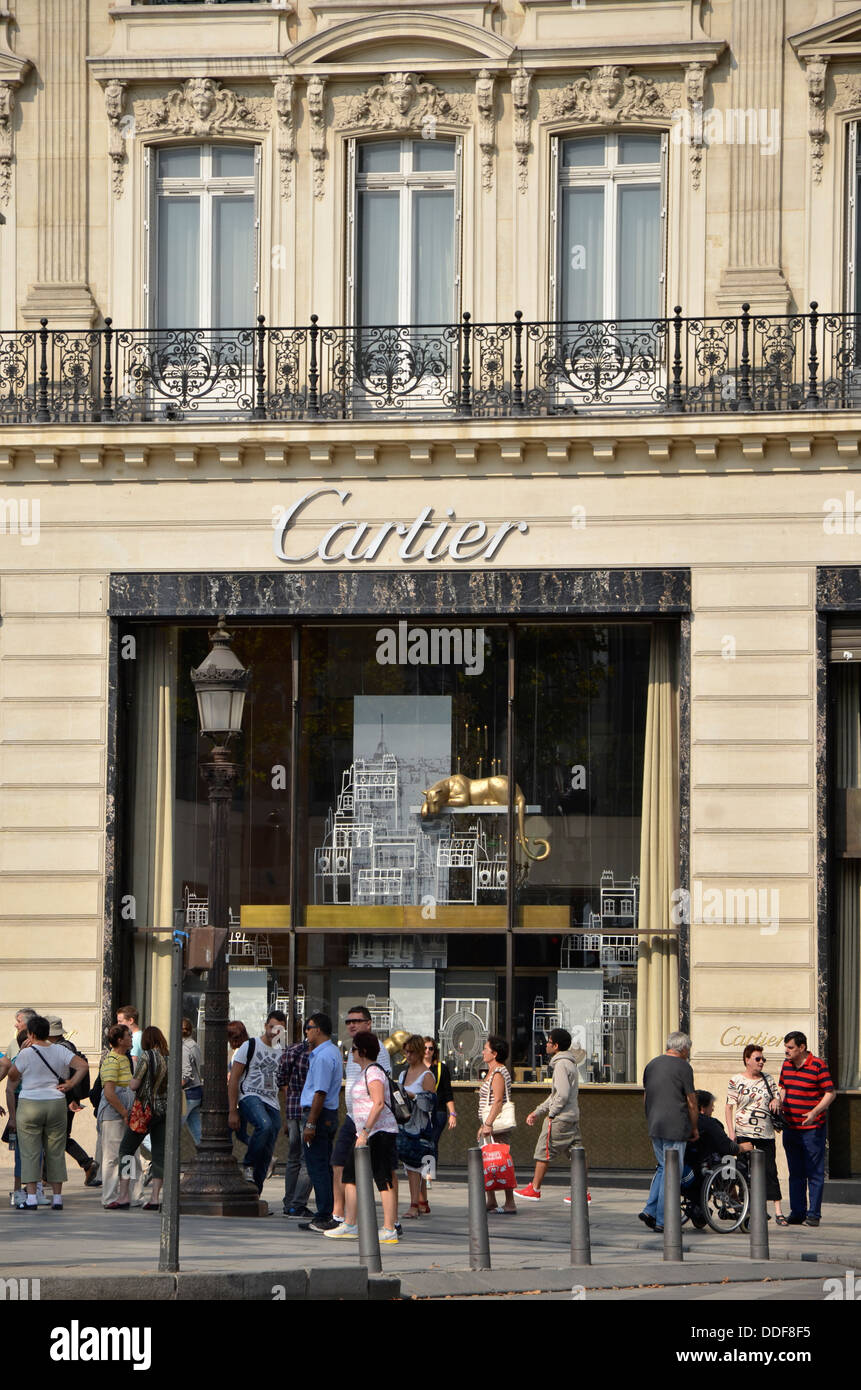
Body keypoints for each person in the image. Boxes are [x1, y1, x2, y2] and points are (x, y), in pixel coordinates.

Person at [6, 1015, 88, 1211]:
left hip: (30, 1103)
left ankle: (32, 1198)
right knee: (55, 1150)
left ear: (31, 1034)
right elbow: (82, 1066)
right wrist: (70, 1083)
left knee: (30, 1151)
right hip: (56, 1102)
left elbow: (12, 1075)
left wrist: (23, 1054)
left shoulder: (26, 1053)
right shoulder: (60, 1050)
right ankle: (57, 1198)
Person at [324, 1030, 400, 1244]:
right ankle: (350, 1224)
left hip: (379, 1132)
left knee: (383, 1178)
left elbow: (378, 1103)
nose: (350, 1053)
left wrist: (365, 1132)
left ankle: (389, 1228)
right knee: (349, 1176)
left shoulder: (374, 1072)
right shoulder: (365, 1071)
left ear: (363, 1051)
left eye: (354, 1049)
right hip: (365, 1133)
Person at [332, 1005, 392, 1223]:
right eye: (348, 1022)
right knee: (340, 1163)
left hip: (372, 1121)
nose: (352, 1025)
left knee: (382, 1172)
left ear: (368, 1023)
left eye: (356, 1020)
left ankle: (391, 1222)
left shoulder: (377, 1050)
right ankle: (339, 1215)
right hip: (352, 1117)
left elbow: (381, 1087)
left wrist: (367, 1128)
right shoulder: (355, 1049)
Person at [514, 1027, 586, 1204]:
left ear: (556, 1046)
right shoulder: (570, 1063)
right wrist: (538, 1111)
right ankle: (583, 1193)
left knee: (543, 1151)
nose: (546, 1044)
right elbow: (555, 1095)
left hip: (560, 1118)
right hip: (572, 1116)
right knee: (577, 1154)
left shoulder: (561, 1064)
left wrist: (551, 1115)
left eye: (549, 1042)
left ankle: (535, 1188)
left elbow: (560, 1095)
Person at [639, 1031, 698, 1234]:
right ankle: (664, 1220)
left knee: (664, 1169)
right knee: (672, 1172)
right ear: (683, 1049)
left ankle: (650, 1210)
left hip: (655, 1123)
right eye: (688, 1049)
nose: (688, 1053)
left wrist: (651, 1119)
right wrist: (694, 1127)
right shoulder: (684, 1067)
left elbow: (646, 1097)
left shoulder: (652, 1064)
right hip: (676, 1126)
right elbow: (691, 1101)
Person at [779, 1030, 837, 1227]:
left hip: (812, 1128)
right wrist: (778, 1101)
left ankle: (813, 1214)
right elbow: (783, 1087)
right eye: (786, 1047)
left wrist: (814, 1111)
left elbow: (830, 1093)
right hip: (790, 1127)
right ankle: (797, 1212)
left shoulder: (818, 1065)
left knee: (814, 1171)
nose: (786, 1051)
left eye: (790, 1047)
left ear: (801, 1048)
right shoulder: (786, 1065)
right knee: (795, 1172)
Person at [227, 1010, 286, 1196]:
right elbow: (234, 1078)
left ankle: (256, 1191)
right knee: (265, 1125)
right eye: (271, 1027)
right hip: (249, 1095)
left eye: (279, 1029)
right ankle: (249, 1164)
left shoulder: (281, 1050)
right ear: (265, 1025)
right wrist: (233, 1110)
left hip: (272, 1100)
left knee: (269, 1145)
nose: (274, 1032)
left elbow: (284, 1082)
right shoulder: (250, 1045)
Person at [111, 1026, 170, 1211]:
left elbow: (135, 1084)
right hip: (164, 1111)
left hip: (144, 1111)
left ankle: (124, 1195)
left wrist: (131, 1082)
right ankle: (154, 1198)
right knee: (159, 1154)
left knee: (126, 1150)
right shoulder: (169, 1057)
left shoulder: (147, 1056)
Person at [726, 1044, 785, 1224]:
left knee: (770, 1171)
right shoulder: (736, 1080)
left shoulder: (768, 1078)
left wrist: (777, 1099)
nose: (761, 1062)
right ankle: (749, 1209)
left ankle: (778, 1211)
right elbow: (729, 1107)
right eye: (757, 1059)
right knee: (745, 1171)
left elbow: (778, 1098)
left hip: (765, 1133)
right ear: (747, 1060)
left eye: (763, 1059)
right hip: (744, 1132)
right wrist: (731, 1132)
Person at [297, 1013, 345, 1232]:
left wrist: (311, 1124)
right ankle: (326, 1212)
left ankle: (324, 1214)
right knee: (322, 1165)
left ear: (318, 1029)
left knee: (318, 1166)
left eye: (308, 1027)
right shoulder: (327, 1052)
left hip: (320, 1114)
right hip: (325, 1114)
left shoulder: (324, 1056)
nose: (306, 1032)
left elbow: (320, 1092)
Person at [46, 1016, 99, 1188]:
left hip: (63, 1099)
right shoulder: (69, 1046)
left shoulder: (59, 1049)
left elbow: (64, 1077)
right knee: (57, 1136)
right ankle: (46, 1175)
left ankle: (86, 1163)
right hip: (67, 1099)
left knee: (56, 1136)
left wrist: (71, 1099)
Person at [98, 1023, 140, 1208]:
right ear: (119, 1040)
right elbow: (109, 1092)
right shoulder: (112, 1060)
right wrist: (124, 1112)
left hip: (127, 1112)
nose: (131, 1038)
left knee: (130, 1155)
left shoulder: (126, 1059)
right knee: (112, 1157)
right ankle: (109, 1196)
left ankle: (130, 1194)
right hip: (114, 1114)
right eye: (128, 1036)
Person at [477, 1035, 516, 1214]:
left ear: (495, 1053)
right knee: (489, 1161)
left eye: (486, 1049)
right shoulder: (492, 1071)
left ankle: (509, 1202)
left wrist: (489, 1123)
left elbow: (498, 1100)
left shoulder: (499, 1072)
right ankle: (491, 1199)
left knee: (502, 1161)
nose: (483, 1052)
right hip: (489, 1122)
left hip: (497, 1124)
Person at [277, 1031, 313, 1218]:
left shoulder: (291, 1050)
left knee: (293, 1158)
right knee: (307, 1160)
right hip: (308, 1110)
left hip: (292, 1108)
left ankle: (288, 1202)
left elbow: (280, 1078)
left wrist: (289, 1093)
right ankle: (297, 1204)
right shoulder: (313, 1054)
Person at [420, 1036, 456, 1213]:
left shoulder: (441, 1068)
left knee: (432, 1141)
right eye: (425, 1048)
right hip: (420, 1111)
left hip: (439, 1110)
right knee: (422, 1142)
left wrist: (453, 1113)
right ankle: (423, 1172)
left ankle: (428, 1174)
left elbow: (448, 1093)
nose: (427, 1051)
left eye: (431, 1048)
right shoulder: (415, 1068)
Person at [181, 1017, 203, 1147]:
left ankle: (164, 1158)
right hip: (196, 1090)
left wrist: (172, 1087)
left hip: (187, 1093)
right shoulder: (194, 1045)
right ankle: (207, 1156)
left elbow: (185, 1074)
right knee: (196, 1129)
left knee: (173, 1129)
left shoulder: (184, 1047)